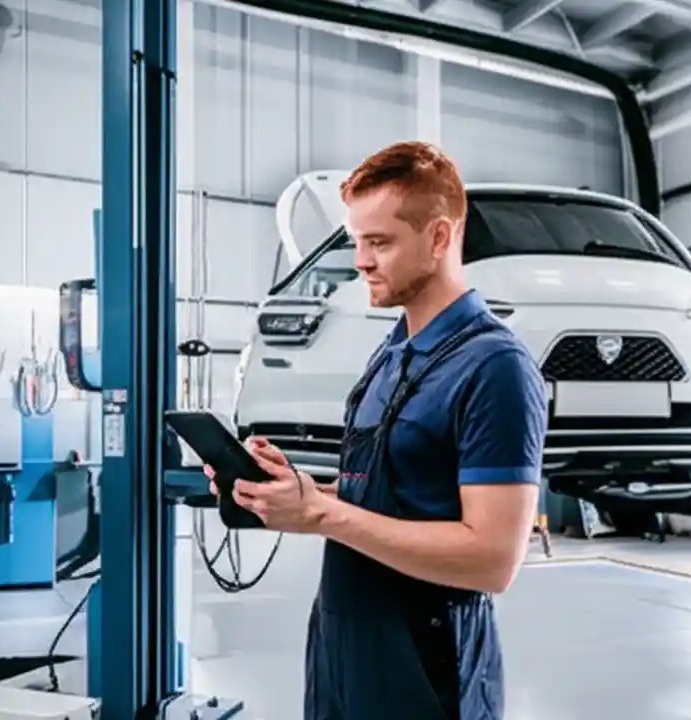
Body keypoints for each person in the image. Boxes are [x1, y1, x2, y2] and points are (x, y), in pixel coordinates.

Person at [207, 140, 548, 719]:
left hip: (427, 669)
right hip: (345, 650)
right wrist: (296, 495)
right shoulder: (390, 355)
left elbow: (493, 559)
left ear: (439, 238)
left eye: (378, 242)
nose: (360, 260)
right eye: (356, 241)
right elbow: (388, 495)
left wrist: (321, 515)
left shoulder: (495, 368)